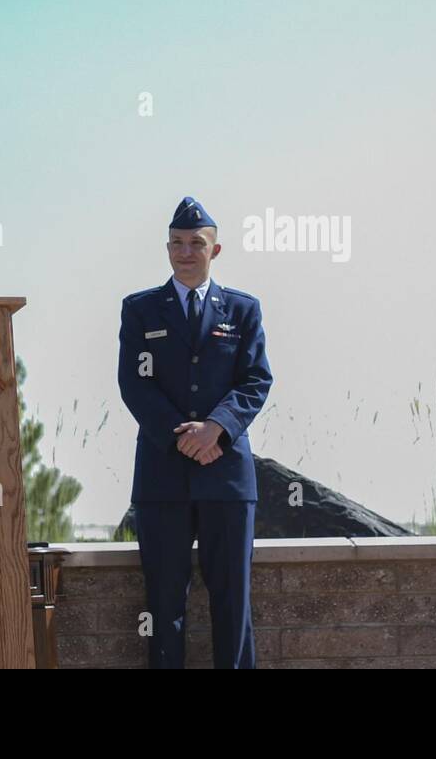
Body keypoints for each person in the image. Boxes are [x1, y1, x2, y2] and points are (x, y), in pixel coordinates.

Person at [117, 197, 273, 668]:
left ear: (215, 249)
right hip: (163, 477)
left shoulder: (242, 310)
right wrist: (180, 435)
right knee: (165, 607)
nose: (186, 252)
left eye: (196, 244)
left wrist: (216, 430)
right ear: (168, 248)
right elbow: (134, 382)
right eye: (178, 244)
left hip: (226, 478)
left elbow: (256, 380)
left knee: (232, 603)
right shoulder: (141, 310)